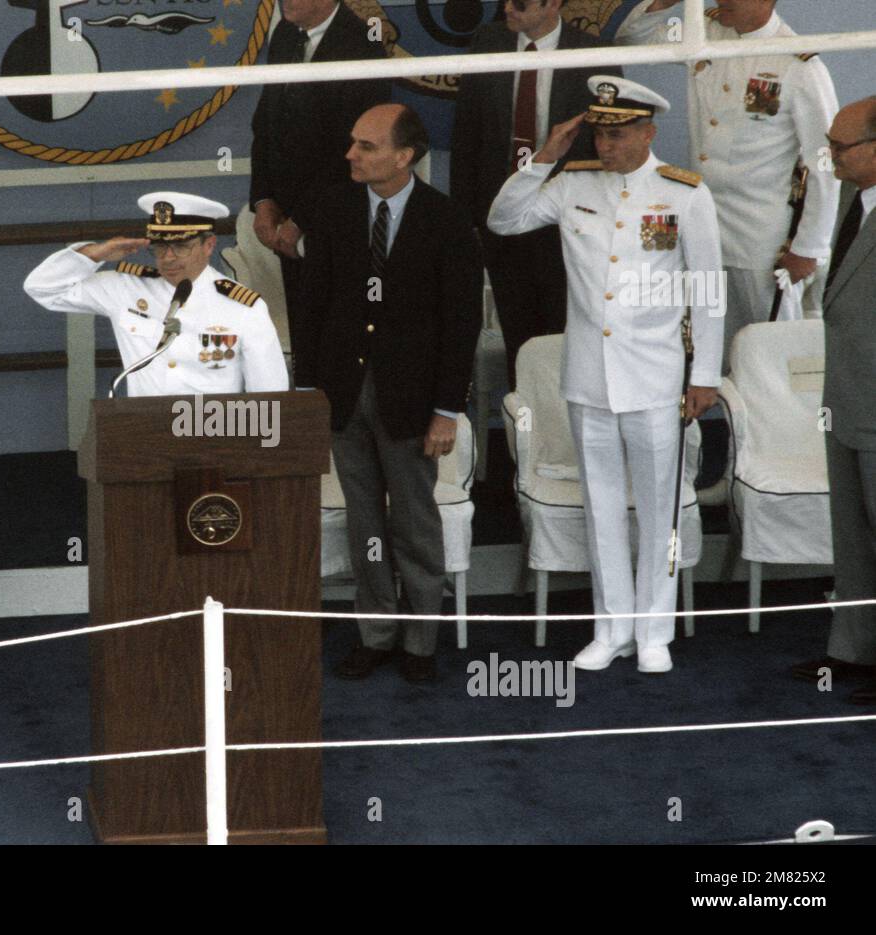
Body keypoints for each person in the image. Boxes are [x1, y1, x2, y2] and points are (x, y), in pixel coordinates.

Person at [488, 77, 724, 674]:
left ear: (649, 132)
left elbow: (709, 293)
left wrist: (706, 375)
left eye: (618, 132)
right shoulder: (572, 184)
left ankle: (654, 631)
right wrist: (546, 152)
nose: (607, 142)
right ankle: (611, 626)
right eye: (599, 131)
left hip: (655, 375)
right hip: (589, 375)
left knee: (660, 509)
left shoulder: (685, 195)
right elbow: (503, 220)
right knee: (601, 509)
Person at [297, 103, 482, 683]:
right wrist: (310, 392)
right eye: (353, 143)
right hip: (345, 397)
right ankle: (376, 633)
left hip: (414, 404)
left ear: (404, 157)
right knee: (364, 525)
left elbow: (461, 324)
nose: (351, 154)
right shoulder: (331, 210)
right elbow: (311, 308)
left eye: (366, 146)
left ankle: (421, 644)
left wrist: (447, 410)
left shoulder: (447, 221)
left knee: (414, 523)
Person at [617, 0, 839, 371]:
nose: (722, 1)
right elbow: (633, 39)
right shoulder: (703, 33)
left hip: (761, 239)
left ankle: (776, 429)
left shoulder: (797, 64)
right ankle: (715, 426)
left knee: (771, 355)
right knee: (701, 346)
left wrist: (809, 247)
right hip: (701, 227)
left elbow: (825, 163)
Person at [451, 0, 620, 388]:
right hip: (502, 224)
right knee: (521, 345)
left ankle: (571, 435)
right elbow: (467, 137)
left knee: (571, 341)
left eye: (522, 3)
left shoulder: (595, 55)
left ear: (554, 3)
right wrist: (465, 224)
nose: (508, 8)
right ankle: (527, 441)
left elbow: (608, 152)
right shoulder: (487, 43)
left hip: (569, 226)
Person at [23, 191, 288, 396]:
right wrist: (97, 253)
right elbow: (43, 288)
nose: (168, 258)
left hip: (215, 436)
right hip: (145, 438)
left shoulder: (242, 307)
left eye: (181, 247)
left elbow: (269, 393)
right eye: (160, 248)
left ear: (209, 245)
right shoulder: (126, 288)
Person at [790, 97, 876, 706]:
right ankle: (852, 649)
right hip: (845, 396)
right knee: (851, 536)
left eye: (841, 147)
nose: (831, 156)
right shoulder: (850, 201)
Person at [249, 0, 391, 345]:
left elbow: (350, 152)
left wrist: (301, 219)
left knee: (340, 340)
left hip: (339, 223)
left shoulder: (362, 46)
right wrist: (264, 199)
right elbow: (266, 123)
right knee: (305, 336)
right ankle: (309, 398)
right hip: (286, 223)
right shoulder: (284, 35)